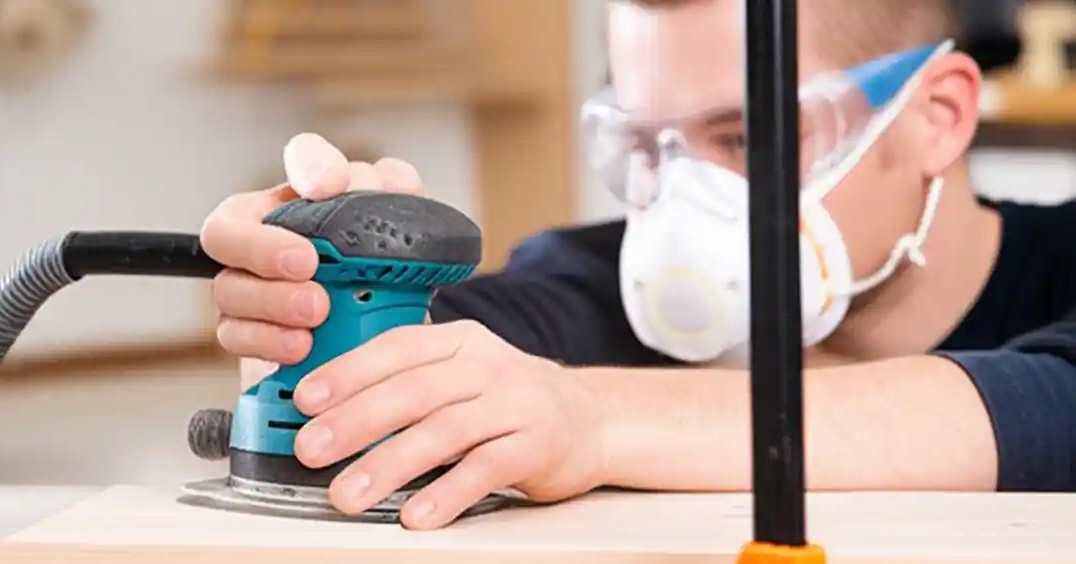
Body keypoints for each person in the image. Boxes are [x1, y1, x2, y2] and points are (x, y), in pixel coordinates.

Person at [200, 0, 1076, 530]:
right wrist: (325, 302)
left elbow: (1048, 407)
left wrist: (591, 417)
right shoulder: (585, 282)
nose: (687, 195)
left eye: (745, 136)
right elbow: (437, 367)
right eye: (649, 144)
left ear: (938, 116)